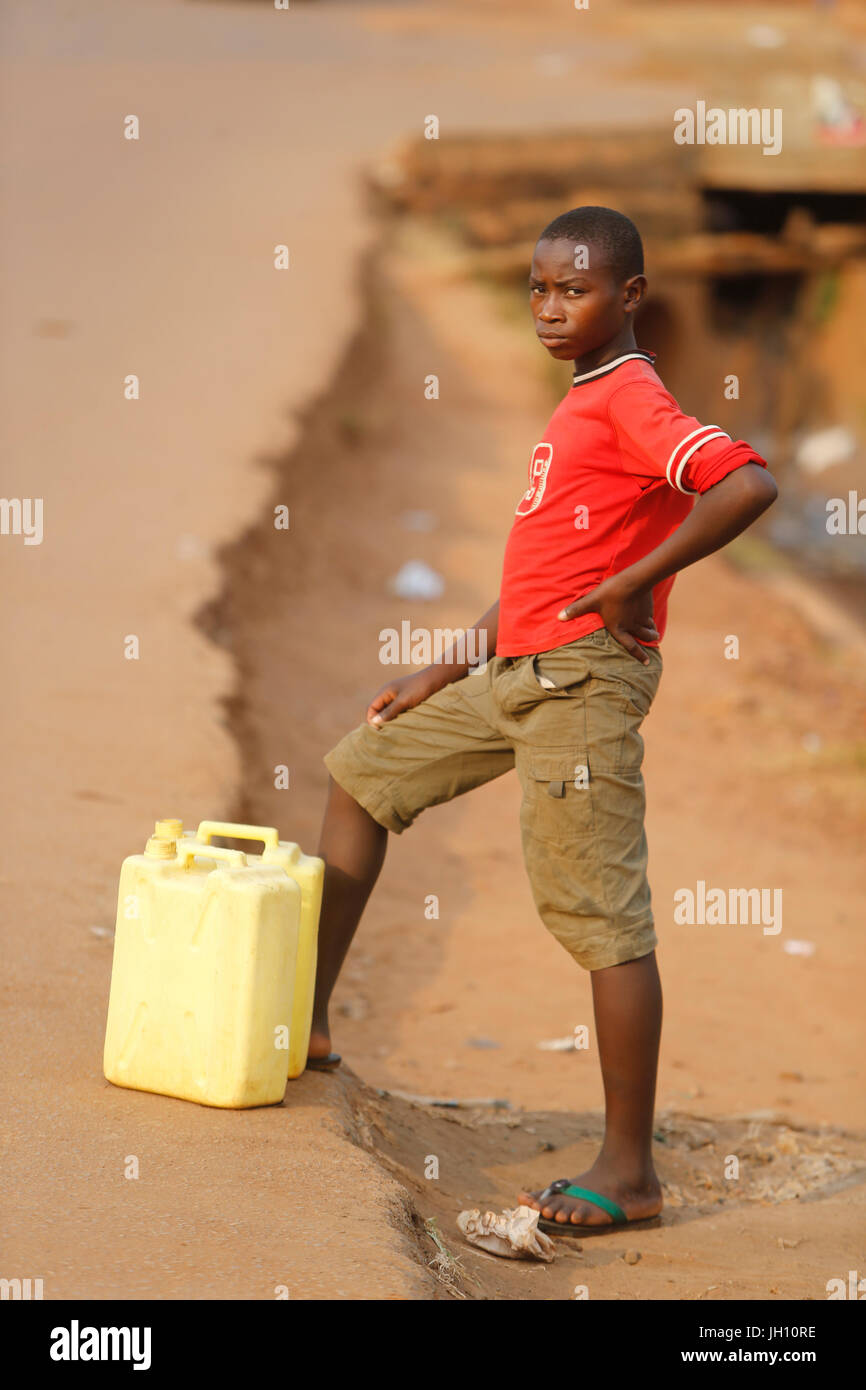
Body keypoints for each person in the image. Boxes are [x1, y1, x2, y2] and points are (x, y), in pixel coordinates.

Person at [308, 206, 777, 1234]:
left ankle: (628, 1172)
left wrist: (633, 584)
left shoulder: (633, 396)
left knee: (598, 915)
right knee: (360, 770)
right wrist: (443, 665)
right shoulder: (581, 402)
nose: (548, 307)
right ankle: (306, 1026)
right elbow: (540, 577)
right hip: (516, 665)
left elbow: (747, 482)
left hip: (581, 684)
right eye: (536, 288)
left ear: (629, 297)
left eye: (573, 290)